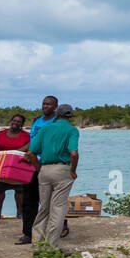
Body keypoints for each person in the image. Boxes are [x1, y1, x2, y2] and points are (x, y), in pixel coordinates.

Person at [26, 103, 79, 249]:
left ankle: (37, 245)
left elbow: (31, 153)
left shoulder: (45, 129)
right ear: (70, 116)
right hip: (62, 170)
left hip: (45, 169)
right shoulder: (72, 130)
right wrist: (73, 171)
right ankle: (51, 246)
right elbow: (73, 153)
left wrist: (39, 170)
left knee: (44, 208)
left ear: (57, 114)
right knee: (58, 208)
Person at [17, 95, 64, 245]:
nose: (46, 106)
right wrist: (21, 153)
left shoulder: (57, 121)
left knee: (51, 201)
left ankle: (59, 227)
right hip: (31, 164)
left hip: (48, 164)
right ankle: (28, 233)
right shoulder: (37, 120)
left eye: (49, 104)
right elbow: (32, 141)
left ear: (55, 106)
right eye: (44, 103)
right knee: (29, 200)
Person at [0, 113, 30, 218]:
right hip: (1, 164)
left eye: (19, 122)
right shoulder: (1, 134)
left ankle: (20, 213)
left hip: (18, 165)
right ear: (11, 121)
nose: (16, 123)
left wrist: (15, 153)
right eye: (14, 120)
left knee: (19, 190)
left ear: (22, 124)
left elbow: (30, 146)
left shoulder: (25, 135)